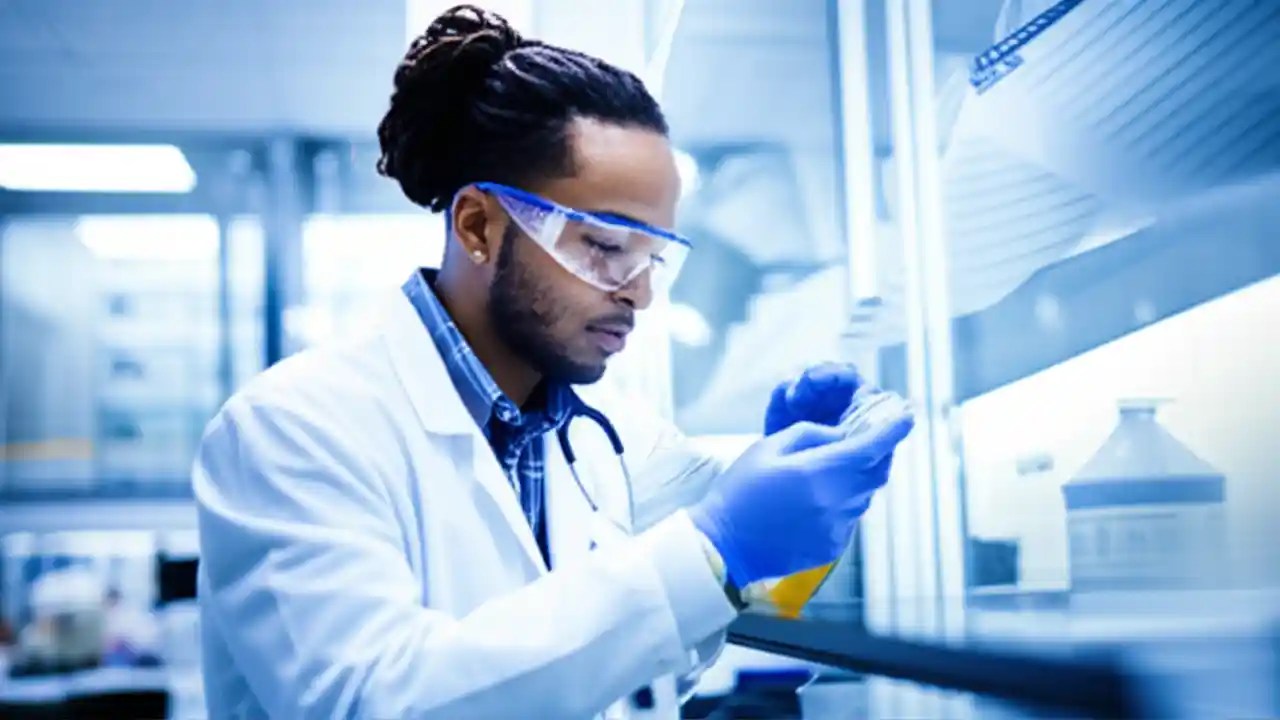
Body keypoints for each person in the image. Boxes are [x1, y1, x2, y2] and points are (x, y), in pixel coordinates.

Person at [192, 5, 913, 719]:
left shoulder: (612, 444)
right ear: (478, 224)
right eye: (605, 247)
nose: (640, 293)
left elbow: (654, 655)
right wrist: (708, 547)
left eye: (654, 257)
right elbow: (373, 703)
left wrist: (807, 489)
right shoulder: (290, 431)